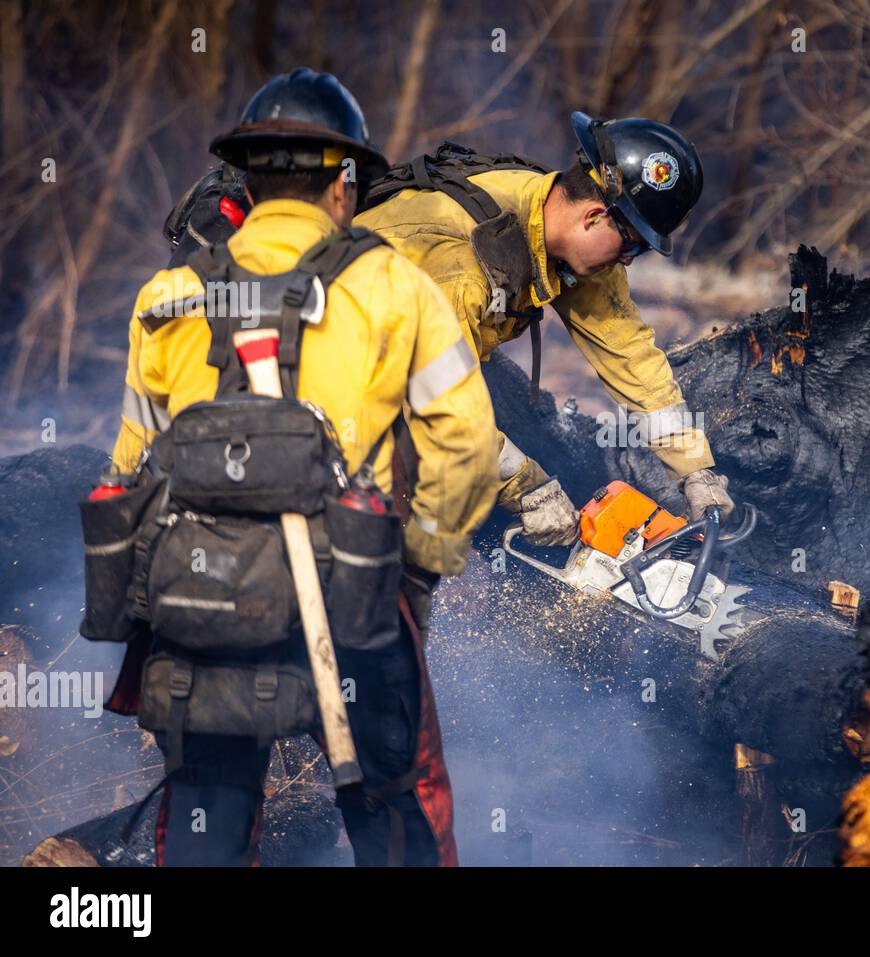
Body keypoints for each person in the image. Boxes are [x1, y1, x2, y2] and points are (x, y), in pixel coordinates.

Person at [106, 68, 499, 866]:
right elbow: (467, 448)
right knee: (398, 808)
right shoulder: (392, 284)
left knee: (205, 823)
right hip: (350, 605)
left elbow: (129, 471)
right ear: (343, 184)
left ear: (245, 182)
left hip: (203, 604)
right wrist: (417, 570)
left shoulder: (170, 293)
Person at [354, 113, 735, 546]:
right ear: (594, 216)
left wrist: (695, 469)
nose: (629, 260)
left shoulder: (553, 220)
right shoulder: (461, 262)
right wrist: (528, 490)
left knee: (532, 441)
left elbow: (629, 352)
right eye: (634, 245)